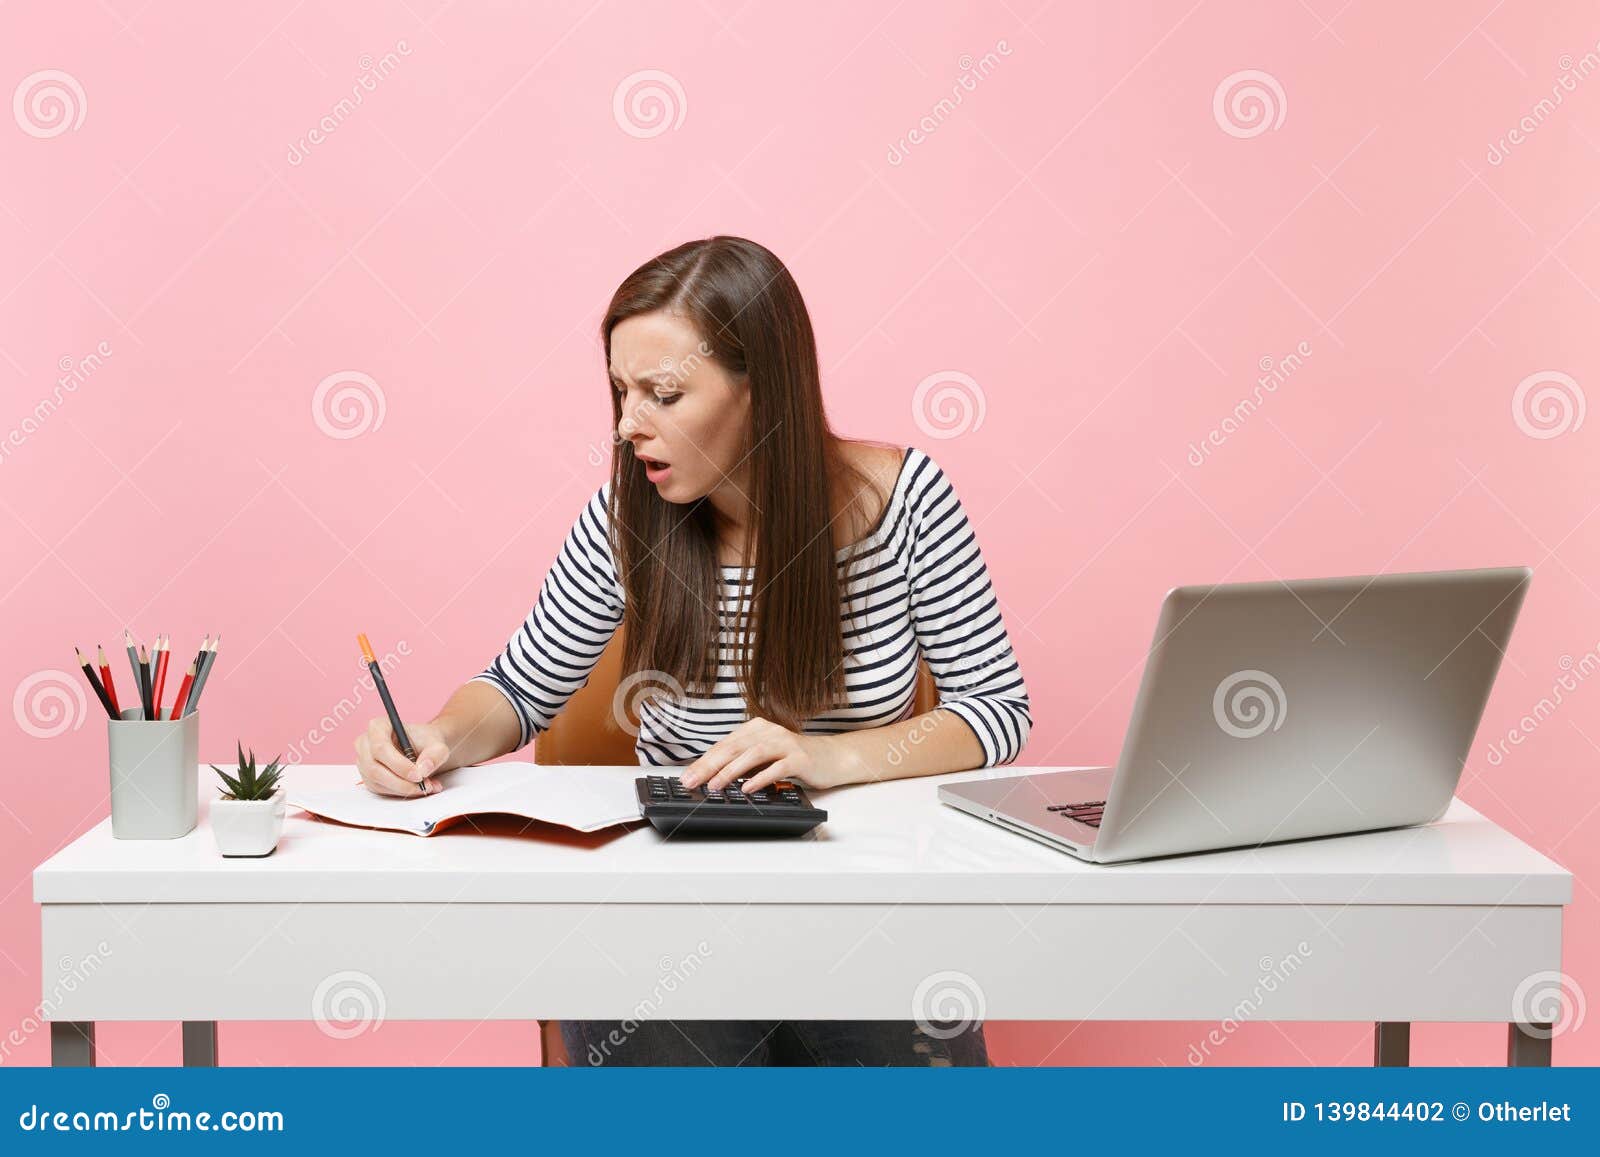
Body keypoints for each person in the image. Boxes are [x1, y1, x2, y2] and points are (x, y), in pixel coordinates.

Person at [355, 235, 1032, 1065]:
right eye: (621, 390)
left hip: (864, 908)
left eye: (664, 394)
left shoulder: (908, 500)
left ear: (761, 389)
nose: (630, 424)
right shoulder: (625, 514)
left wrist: (828, 757)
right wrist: (436, 737)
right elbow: (518, 688)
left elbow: (995, 710)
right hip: (667, 912)